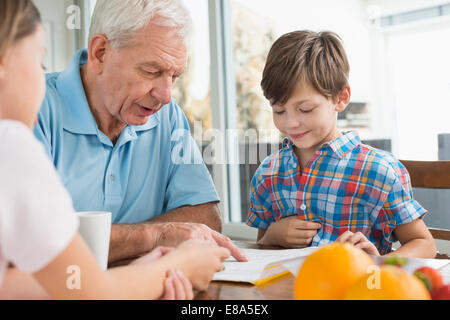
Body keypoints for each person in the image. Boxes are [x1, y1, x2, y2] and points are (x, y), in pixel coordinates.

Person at [0, 0, 230, 300]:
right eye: (151, 70)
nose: (165, 95)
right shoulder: (13, 138)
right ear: (100, 53)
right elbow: (85, 290)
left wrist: (139, 266)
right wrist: (169, 254)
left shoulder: (168, 117)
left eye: (174, 77)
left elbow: (18, 286)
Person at [246, 30, 436, 258]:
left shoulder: (378, 171)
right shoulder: (268, 173)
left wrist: (379, 262)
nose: (291, 123)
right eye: (279, 110)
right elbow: (261, 248)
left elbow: (424, 245)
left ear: (341, 98)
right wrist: (273, 235)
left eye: (305, 109)